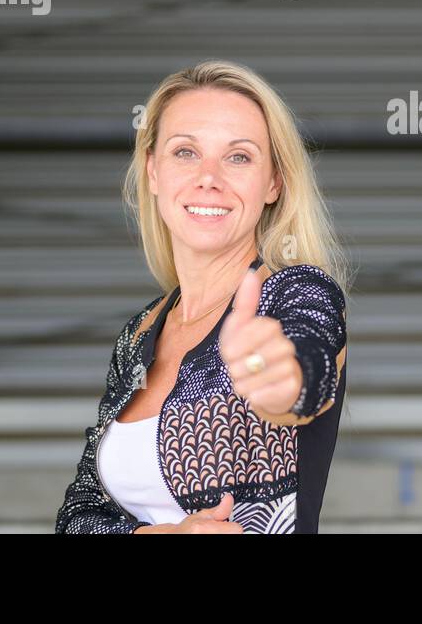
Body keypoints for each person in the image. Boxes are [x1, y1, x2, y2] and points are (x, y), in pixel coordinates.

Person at [55, 60, 352, 534]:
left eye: (238, 157)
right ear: (153, 171)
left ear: (274, 182)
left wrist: (278, 382)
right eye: (185, 152)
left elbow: (305, 368)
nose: (208, 177)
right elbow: (78, 518)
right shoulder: (139, 334)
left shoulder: (294, 292)